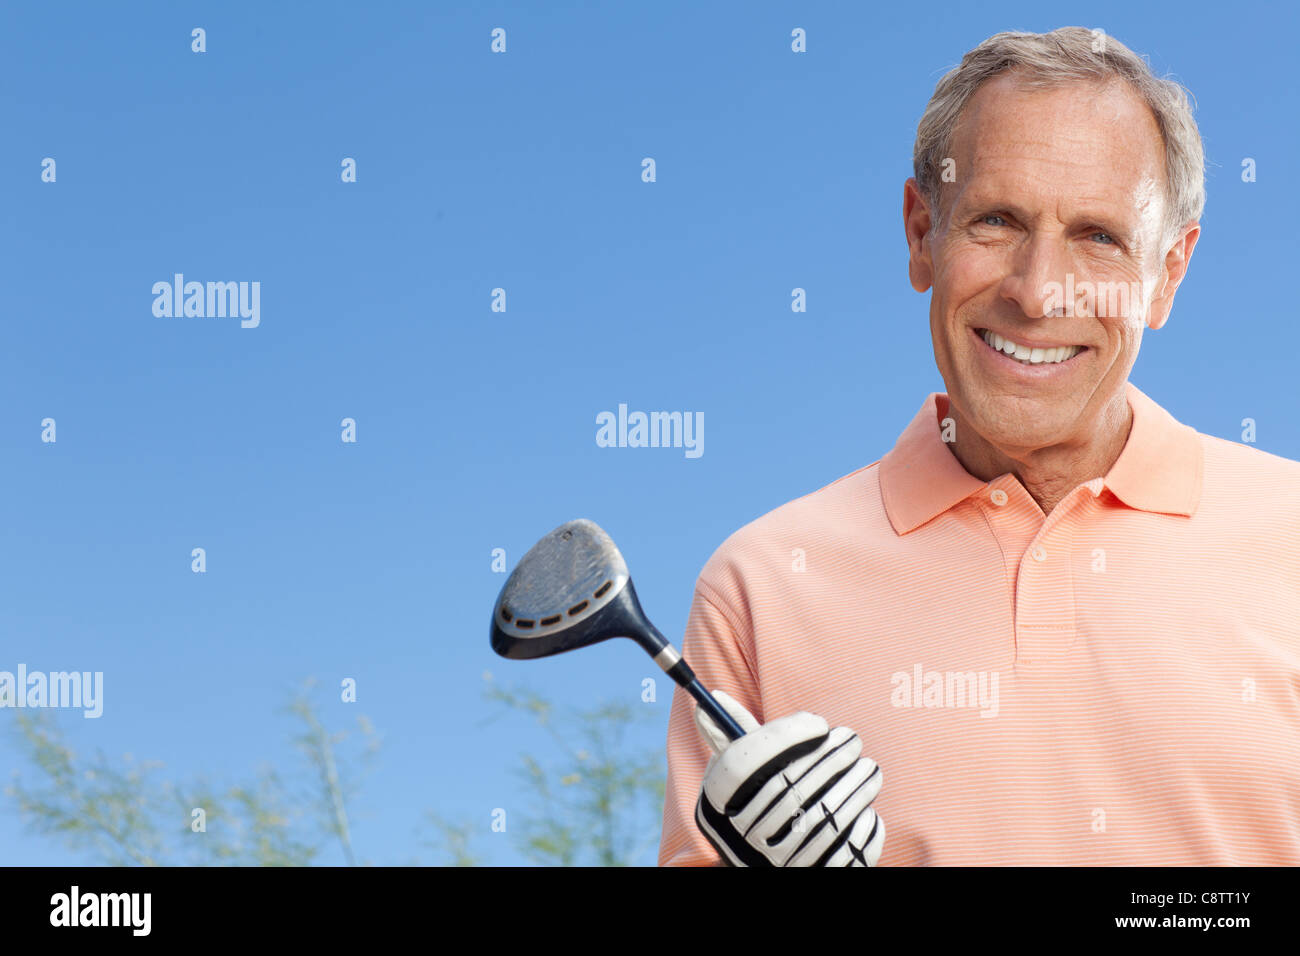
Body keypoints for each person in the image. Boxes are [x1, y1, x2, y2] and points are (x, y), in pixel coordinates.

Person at [659, 26, 1300, 867]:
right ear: (922, 233)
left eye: (1098, 237)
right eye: (996, 221)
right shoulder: (764, 589)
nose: (1038, 293)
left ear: (1168, 274)